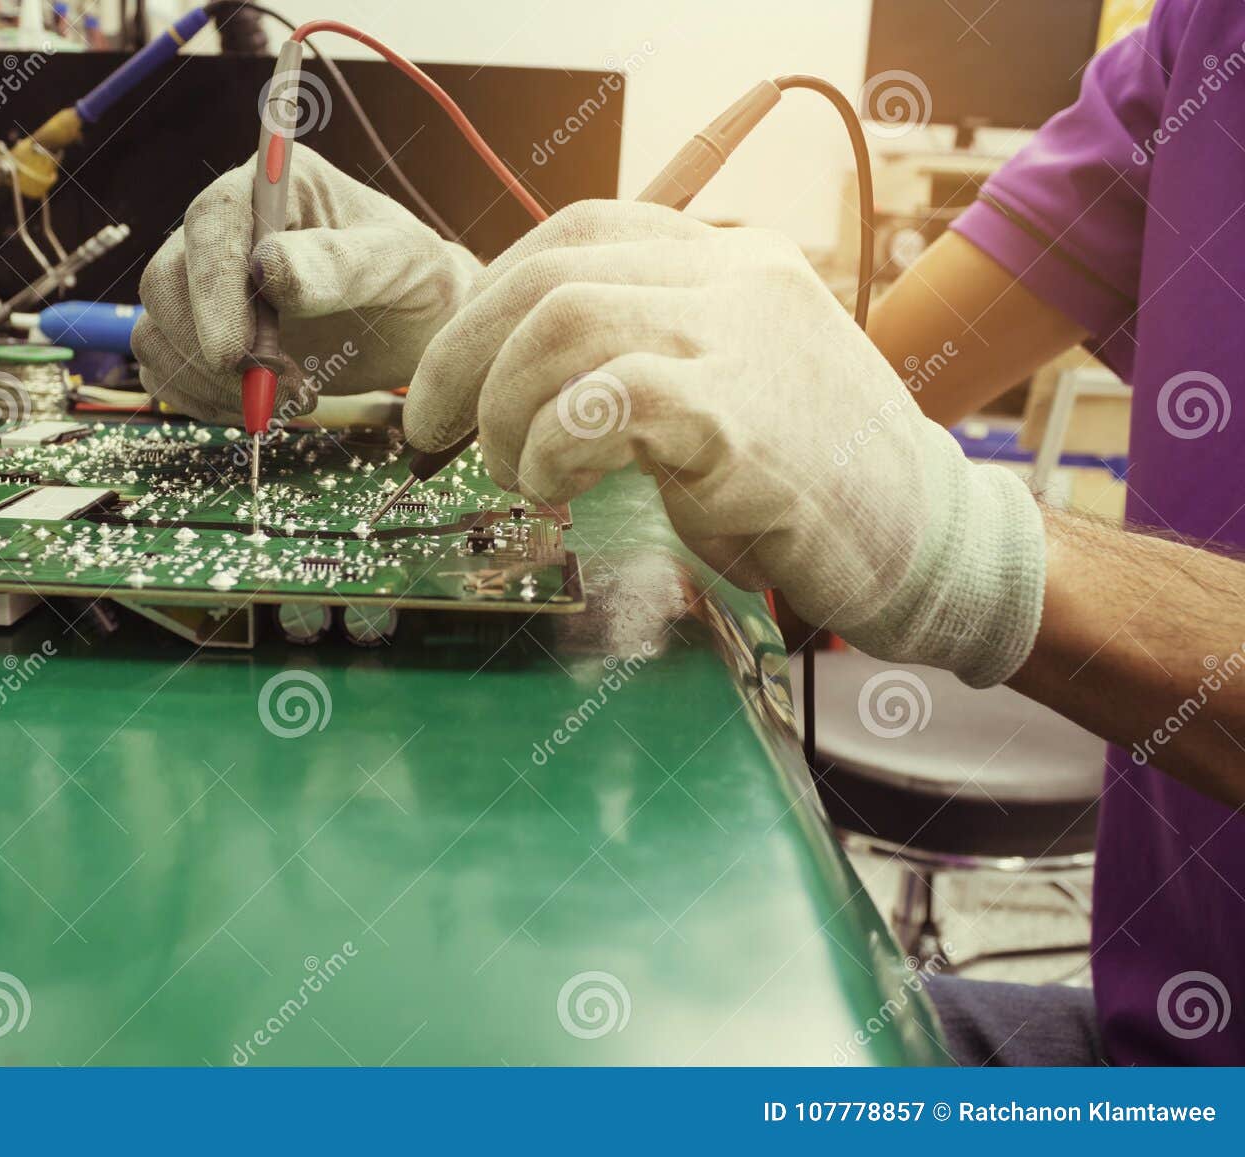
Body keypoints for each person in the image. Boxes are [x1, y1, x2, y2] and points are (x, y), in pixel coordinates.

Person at [133, 0, 1245, 1065]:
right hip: (1138, 1044)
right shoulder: (1201, 40)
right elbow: (847, 400)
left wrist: (975, 556)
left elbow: (902, 488)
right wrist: (481, 325)